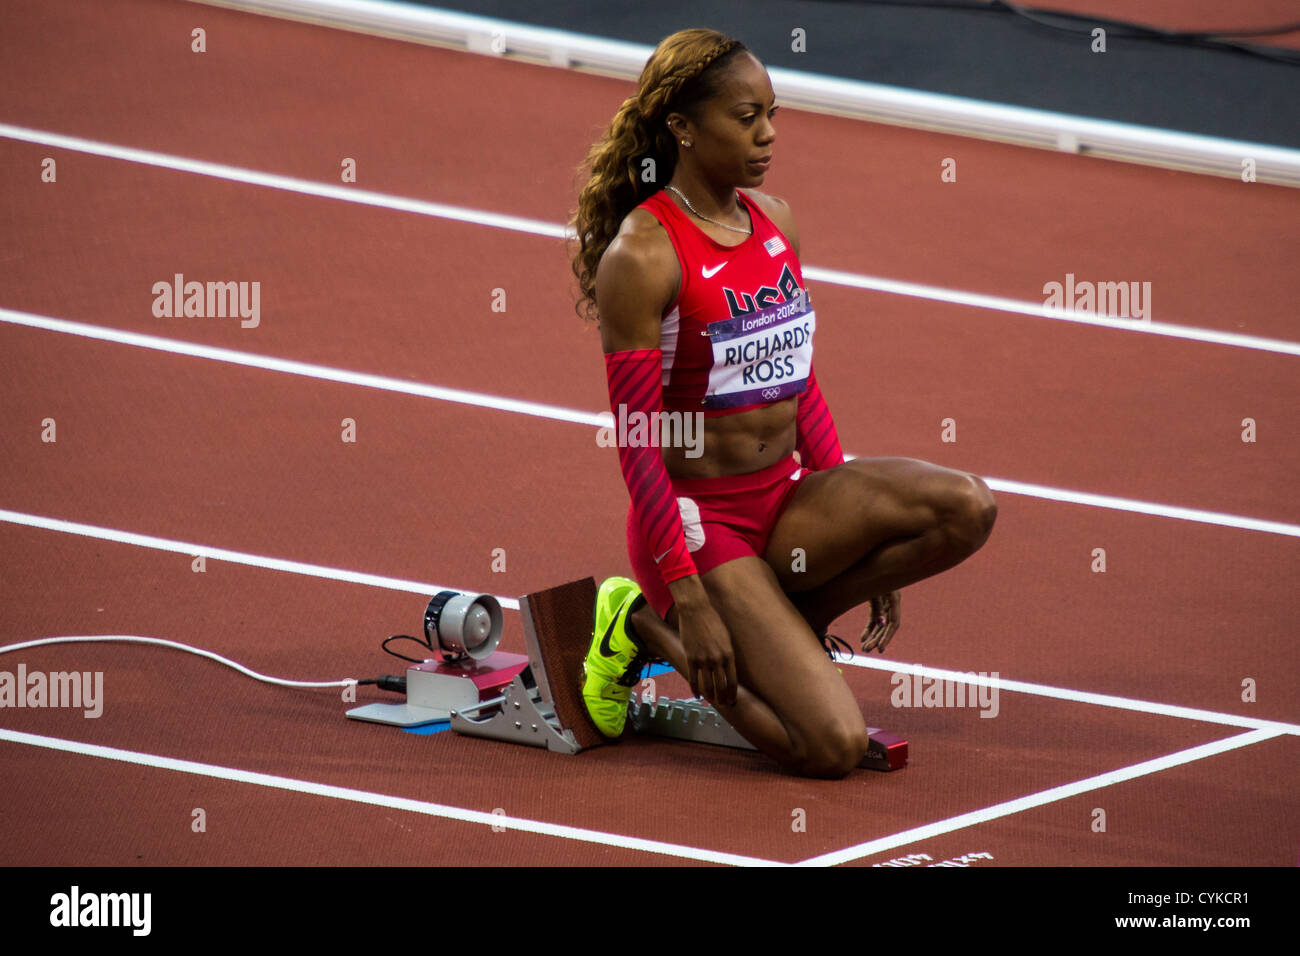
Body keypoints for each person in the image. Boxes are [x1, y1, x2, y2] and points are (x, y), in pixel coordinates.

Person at [567, 28, 996, 778]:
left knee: (966, 508)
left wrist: (848, 512)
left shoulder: (776, 221)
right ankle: (635, 620)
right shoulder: (643, 255)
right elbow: (636, 442)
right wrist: (689, 602)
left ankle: (793, 622)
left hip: (787, 502)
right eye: (745, 117)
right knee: (828, 750)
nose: (768, 135)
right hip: (705, 527)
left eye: (773, 113)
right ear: (682, 127)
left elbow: (798, 381)